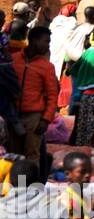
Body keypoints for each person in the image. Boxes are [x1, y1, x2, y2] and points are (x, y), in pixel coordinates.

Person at [11, 25, 59, 165]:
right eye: (46, 41)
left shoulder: (47, 67)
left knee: (32, 155)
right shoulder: (14, 59)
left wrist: (45, 120)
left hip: (34, 117)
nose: (47, 45)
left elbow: (52, 96)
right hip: (13, 115)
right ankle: (16, 186)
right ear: (34, 40)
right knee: (14, 155)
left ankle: (30, 186)